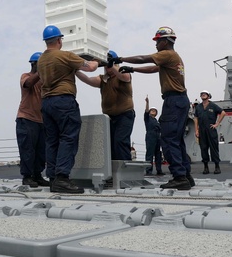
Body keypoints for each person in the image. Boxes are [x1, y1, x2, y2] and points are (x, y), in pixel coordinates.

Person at [116, 26, 192, 190]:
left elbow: (145, 58)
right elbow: (153, 68)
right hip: (180, 101)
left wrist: (121, 59)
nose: (156, 44)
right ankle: (186, 175)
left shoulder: (167, 54)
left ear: (165, 41)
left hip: (173, 100)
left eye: (158, 41)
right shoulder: (173, 58)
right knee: (177, 140)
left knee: (168, 139)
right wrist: (132, 69)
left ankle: (179, 176)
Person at [38, 25, 100, 194]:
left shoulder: (41, 60)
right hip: (63, 101)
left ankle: (53, 178)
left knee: (52, 141)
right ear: (59, 40)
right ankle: (62, 178)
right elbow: (90, 68)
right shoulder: (65, 56)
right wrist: (97, 60)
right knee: (68, 137)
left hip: (46, 103)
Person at [75, 50, 135, 161]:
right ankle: (112, 171)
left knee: (120, 141)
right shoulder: (103, 79)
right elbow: (88, 80)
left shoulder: (123, 73)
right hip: (109, 117)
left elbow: (125, 77)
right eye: (105, 65)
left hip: (124, 115)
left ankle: (124, 170)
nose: (106, 67)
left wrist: (110, 63)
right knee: (110, 144)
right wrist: (75, 71)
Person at [16, 52, 48, 188]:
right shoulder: (26, 76)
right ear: (34, 64)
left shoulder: (44, 81)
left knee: (41, 151)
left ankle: (37, 175)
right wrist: (41, 72)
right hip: (26, 119)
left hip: (41, 121)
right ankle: (27, 176)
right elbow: (28, 84)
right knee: (27, 149)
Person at [194, 91, 226, 174]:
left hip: (211, 129)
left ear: (208, 96)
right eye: (201, 94)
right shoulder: (198, 107)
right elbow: (196, 118)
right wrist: (196, 130)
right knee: (203, 148)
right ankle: (206, 167)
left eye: (205, 94)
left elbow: (223, 112)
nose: (203, 95)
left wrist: (217, 123)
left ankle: (217, 166)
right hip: (202, 130)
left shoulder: (213, 105)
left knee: (214, 148)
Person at [144, 97, 164, 176]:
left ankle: (159, 170)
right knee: (150, 154)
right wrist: (147, 103)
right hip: (150, 136)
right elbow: (146, 111)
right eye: (152, 110)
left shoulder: (156, 121)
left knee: (158, 154)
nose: (153, 111)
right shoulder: (147, 119)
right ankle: (149, 171)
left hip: (157, 137)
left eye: (155, 111)